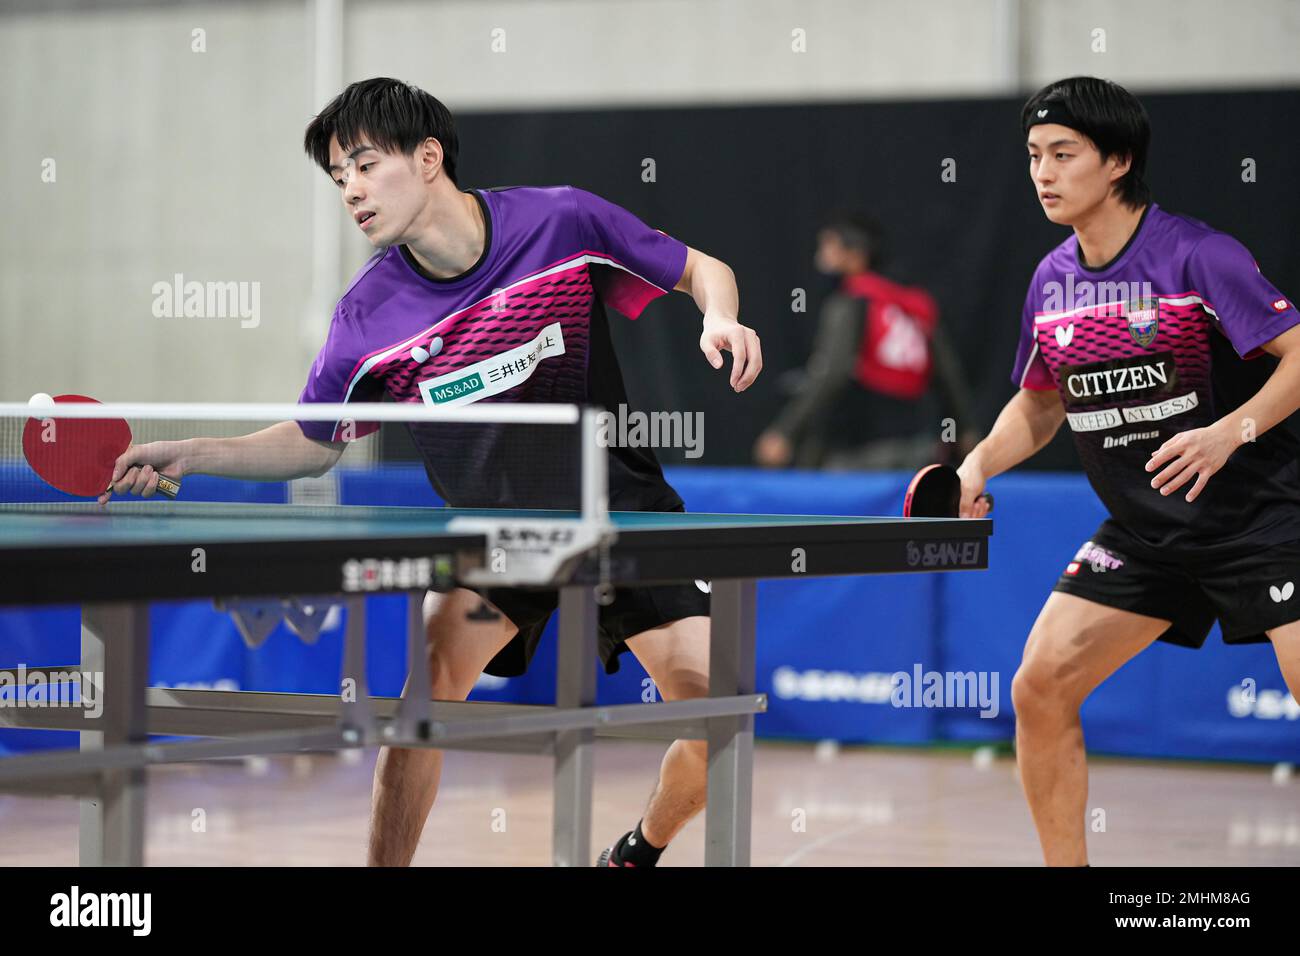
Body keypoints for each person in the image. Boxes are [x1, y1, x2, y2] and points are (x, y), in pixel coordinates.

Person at [105, 77, 762, 867]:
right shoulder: (366, 318)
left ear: (427, 158)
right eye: (338, 176)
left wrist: (719, 316)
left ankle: (636, 851)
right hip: (495, 546)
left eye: (363, 164)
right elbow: (314, 441)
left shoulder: (561, 222)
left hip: (621, 516)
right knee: (420, 708)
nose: (350, 190)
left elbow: (700, 268)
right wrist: (192, 454)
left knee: (719, 714)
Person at [956, 75, 1300, 865]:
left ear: (1118, 161)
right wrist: (976, 465)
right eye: (1034, 155)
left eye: (1063, 154)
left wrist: (1229, 432)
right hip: (1146, 533)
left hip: (1260, 519)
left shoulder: (1198, 256)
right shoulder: (1052, 281)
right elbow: (1041, 403)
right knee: (1039, 686)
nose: (1043, 173)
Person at [753, 213, 977, 470]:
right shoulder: (915, 304)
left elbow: (831, 373)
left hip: (862, 448)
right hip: (919, 443)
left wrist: (785, 431)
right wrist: (966, 428)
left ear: (856, 254)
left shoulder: (850, 303)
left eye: (829, 247)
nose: (820, 258)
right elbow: (947, 373)